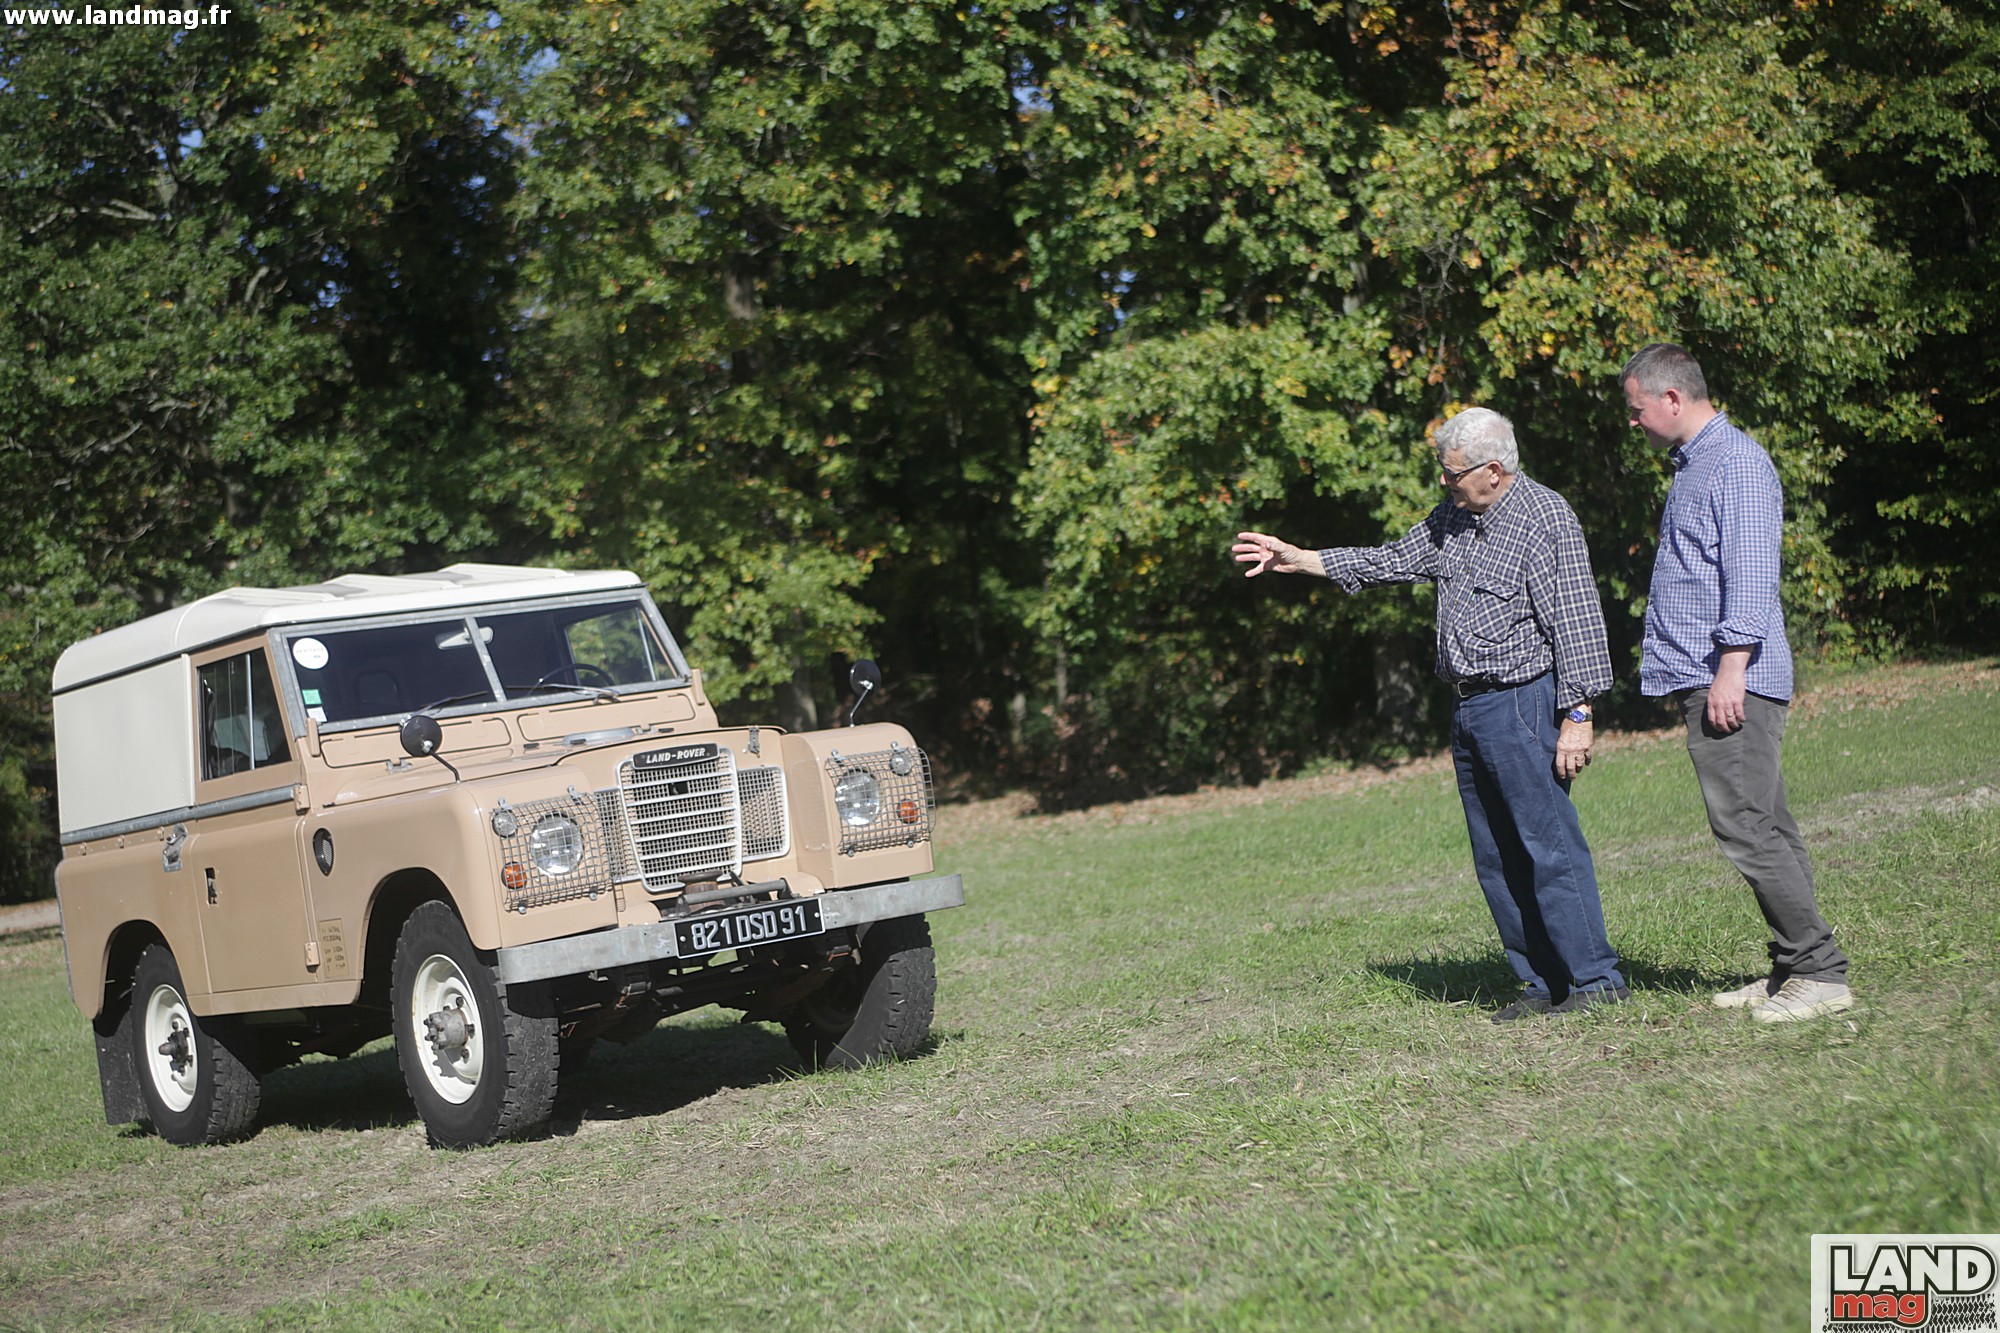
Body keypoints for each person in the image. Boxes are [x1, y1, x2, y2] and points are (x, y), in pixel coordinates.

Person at [1233, 407, 1626, 1021]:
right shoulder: (1453, 517)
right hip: (1468, 708)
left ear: (1493, 470)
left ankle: (1597, 981)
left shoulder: (1545, 517)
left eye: (1452, 473)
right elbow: (1392, 559)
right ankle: (1542, 983)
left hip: (1522, 703)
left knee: (1547, 845)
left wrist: (1579, 714)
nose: (1443, 482)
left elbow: (1576, 619)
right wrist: (1302, 559)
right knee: (1495, 855)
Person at [1620, 343, 1852, 1024]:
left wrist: (1730, 671)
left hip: (1732, 678)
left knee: (1745, 826)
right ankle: (1793, 969)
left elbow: (1751, 579)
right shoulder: (1696, 463)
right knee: (1767, 824)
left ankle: (1820, 973)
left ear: (1672, 398)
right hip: (1718, 675)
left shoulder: (1736, 464)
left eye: (1636, 408)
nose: (1632, 421)